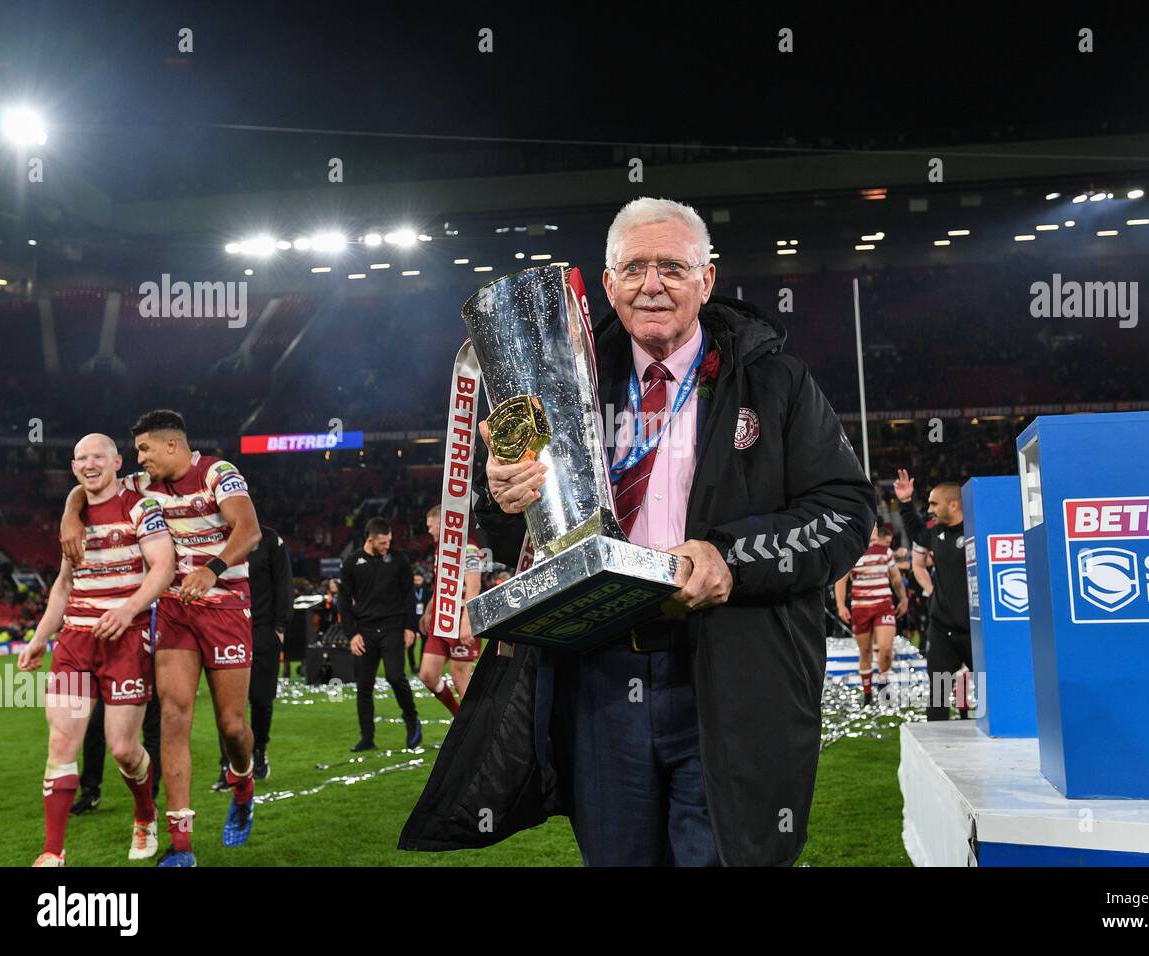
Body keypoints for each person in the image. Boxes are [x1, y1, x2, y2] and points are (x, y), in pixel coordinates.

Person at [402, 196, 876, 866]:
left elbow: (847, 512)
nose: (652, 284)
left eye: (672, 269)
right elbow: (526, 537)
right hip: (599, 679)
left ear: (707, 280)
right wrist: (505, 497)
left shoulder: (774, 383)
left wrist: (727, 559)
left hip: (729, 676)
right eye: (633, 269)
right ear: (608, 283)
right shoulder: (562, 385)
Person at [59, 410, 263, 866]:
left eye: (145, 449)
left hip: (227, 607)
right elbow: (89, 484)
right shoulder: (140, 485)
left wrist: (213, 570)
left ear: (172, 445)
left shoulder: (218, 473)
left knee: (233, 726)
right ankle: (181, 845)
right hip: (174, 611)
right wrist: (70, 514)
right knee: (173, 717)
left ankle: (243, 781)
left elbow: (250, 531)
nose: (140, 458)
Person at [20, 433, 176, 866]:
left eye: (98, 457)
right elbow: (64, 587)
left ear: (116, 462)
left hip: (126, 640)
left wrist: (128, 610)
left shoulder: (141, 506)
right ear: (74, 468)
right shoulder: (74, 517)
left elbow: (164, 566)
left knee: (124, 749)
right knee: (61, 744)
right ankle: (53, 851)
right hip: (74, 643)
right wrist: (38, 638)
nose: (90, 465)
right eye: (81, 459)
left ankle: (145, 814)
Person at [211, 525, 292, 790]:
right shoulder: (217, 536)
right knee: (227, 706)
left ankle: (259, 754)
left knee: (260, 699)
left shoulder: (269, 539)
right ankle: (228, 764)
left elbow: (283, 581)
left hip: (263, 630)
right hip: (227, 629)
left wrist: (280, 626)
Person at [339, 517, 421, 751]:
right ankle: (367, 738)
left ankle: (412, 719)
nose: (387, 546)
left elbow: (409, 596)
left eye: (389, 541)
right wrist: (351, 634)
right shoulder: (352, 562)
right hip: (364, 631)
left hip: (393, 627)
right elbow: (343, 602)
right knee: (364, 685)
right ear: (370, 539)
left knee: (396, 677)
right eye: (383, 542)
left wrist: (409, 627)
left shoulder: (399, 560)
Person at [894, 469, 970, 721]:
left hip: (976, 630)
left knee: (993, 689)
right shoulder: (935, 533)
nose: (930, 509)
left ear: (954, 504)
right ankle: (940, 751)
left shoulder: (978, 531)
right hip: (942, 627)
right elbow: (917, 531)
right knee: (937, 695)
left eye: (934, 504)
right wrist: (905, 503)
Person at [834, 521, 908, 706]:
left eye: (875, 527)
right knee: (865, 651)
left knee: (885, 648)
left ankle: (882, 683)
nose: (873, 530)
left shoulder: (885, 552)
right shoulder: (852, 551)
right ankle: (867, 695)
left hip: (883, 604)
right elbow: (841, 581)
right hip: (860, 607)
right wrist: (841, 606)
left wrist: (904, 599)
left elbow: (896, 578)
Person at [417, 505, 481, 713]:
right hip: (441, 619)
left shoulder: (468, 547)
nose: (429, 530)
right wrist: (429, 610)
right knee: (427, 675)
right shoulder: (439, 549)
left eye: (430, 525)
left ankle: (480, 733)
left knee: (461, 681)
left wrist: (466, 621)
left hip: (460, 619)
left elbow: (474, 586)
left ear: (441, 522)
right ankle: (458, 717)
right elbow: (441, 585)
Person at [69, 693, 162, 814]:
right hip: (115, 676)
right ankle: (90, 792)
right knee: (94, 725)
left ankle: (149, 796)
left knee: (152, 729)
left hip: (149, 677)